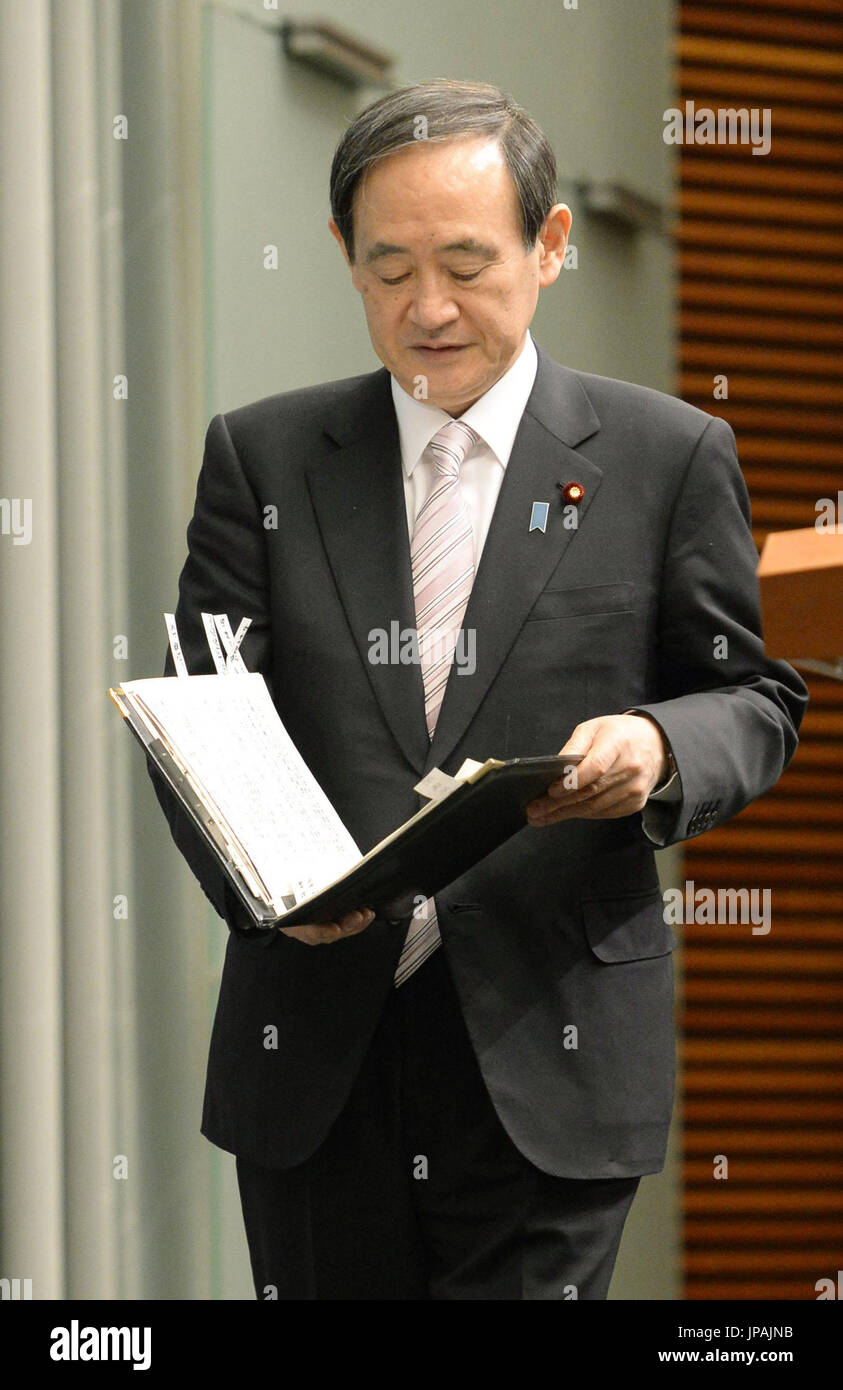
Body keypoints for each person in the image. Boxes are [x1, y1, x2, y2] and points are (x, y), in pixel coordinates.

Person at [148, 79, 807, 1300]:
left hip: (546, 1049)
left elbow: (755, 700)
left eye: (465, 262)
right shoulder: (265, 455)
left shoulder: (667, 457)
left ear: (550, 247)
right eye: (389, 268)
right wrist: (267, 883)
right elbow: (203, 714)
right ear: (342, 253)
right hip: (317, 1051)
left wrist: (658, 746)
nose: (428, 308)